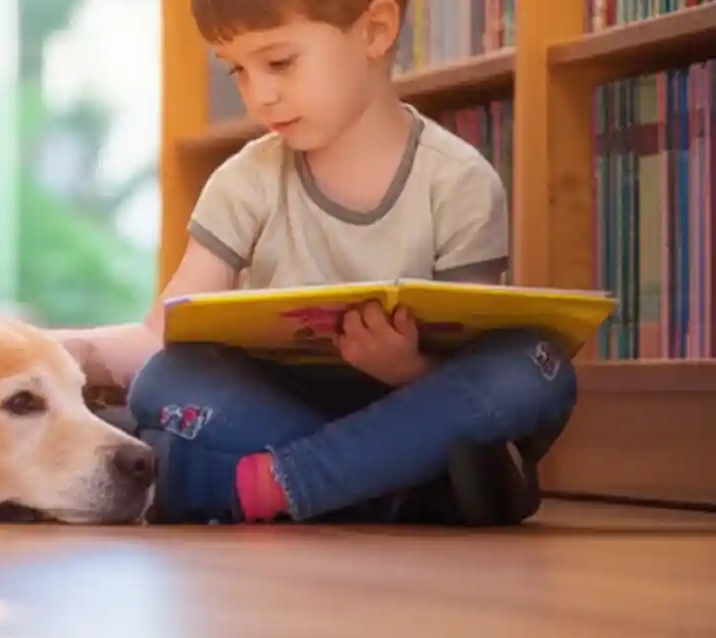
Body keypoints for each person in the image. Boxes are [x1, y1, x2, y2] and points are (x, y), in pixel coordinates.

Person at [53, 0, 577, 526]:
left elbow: (471, 364)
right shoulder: (244, 182)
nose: (261, 94)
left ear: (375, 30)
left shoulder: (459, 181)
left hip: (421, 402)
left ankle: (282, 485)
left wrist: (405, 368)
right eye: (238, 69)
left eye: (279, 62)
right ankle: (413, 492)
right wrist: (77, 350)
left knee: (534, 366)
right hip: (282, 405)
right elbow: (163, 333)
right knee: (167, 379)